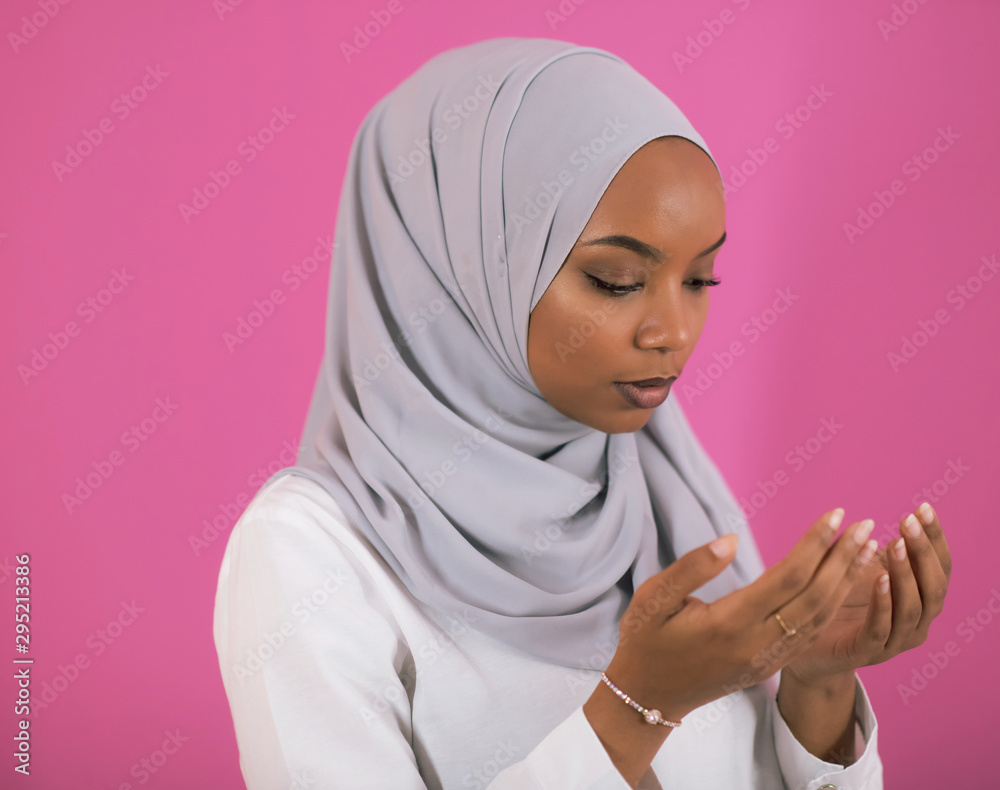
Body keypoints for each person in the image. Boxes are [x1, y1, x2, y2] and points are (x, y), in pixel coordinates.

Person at [212, 37, 952, 789]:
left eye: (701, 279)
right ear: (464, 268)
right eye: (616, 279)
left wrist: (817, 684)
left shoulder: (666, 496)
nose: (675, 333)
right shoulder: (308, 554)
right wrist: (637, 708)